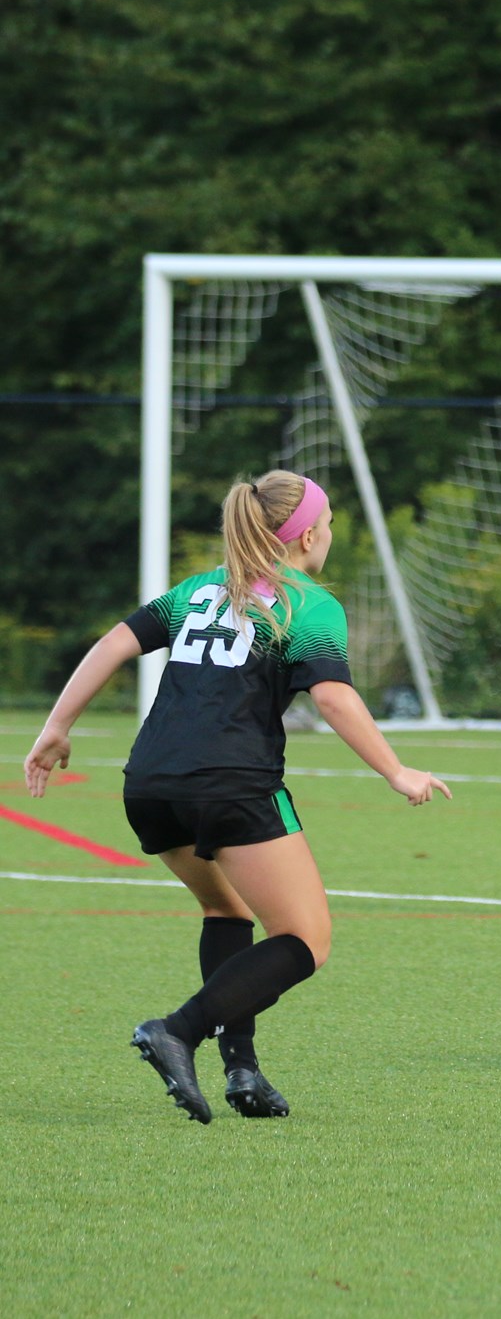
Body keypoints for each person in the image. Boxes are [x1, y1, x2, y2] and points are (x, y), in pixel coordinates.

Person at [21, 471, 452, 1124]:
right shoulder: (308, 604)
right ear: (306, 536)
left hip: (151, 783)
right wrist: (395, 770)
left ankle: (242, 1069)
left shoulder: (198, 589)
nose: (330, 533)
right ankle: (177, 1030)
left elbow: (114, 643)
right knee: (305, 939)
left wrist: (56, 727)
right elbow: (333, 695)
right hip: (231, 784)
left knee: (225, 908)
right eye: (329, 522)